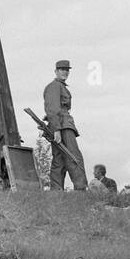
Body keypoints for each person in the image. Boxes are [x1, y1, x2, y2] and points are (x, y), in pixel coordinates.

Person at [43, 59, 87, 192]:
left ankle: (56, 192)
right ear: (56, 71)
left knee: (60, 159)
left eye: (67, 70)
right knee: (73, 156)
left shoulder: (60, 86)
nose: (65, 72)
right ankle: (81, 189)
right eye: (62, 70)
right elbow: (52, 108)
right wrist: (56, 129)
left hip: (61, 124)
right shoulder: (54, 86)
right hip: (62, 126)